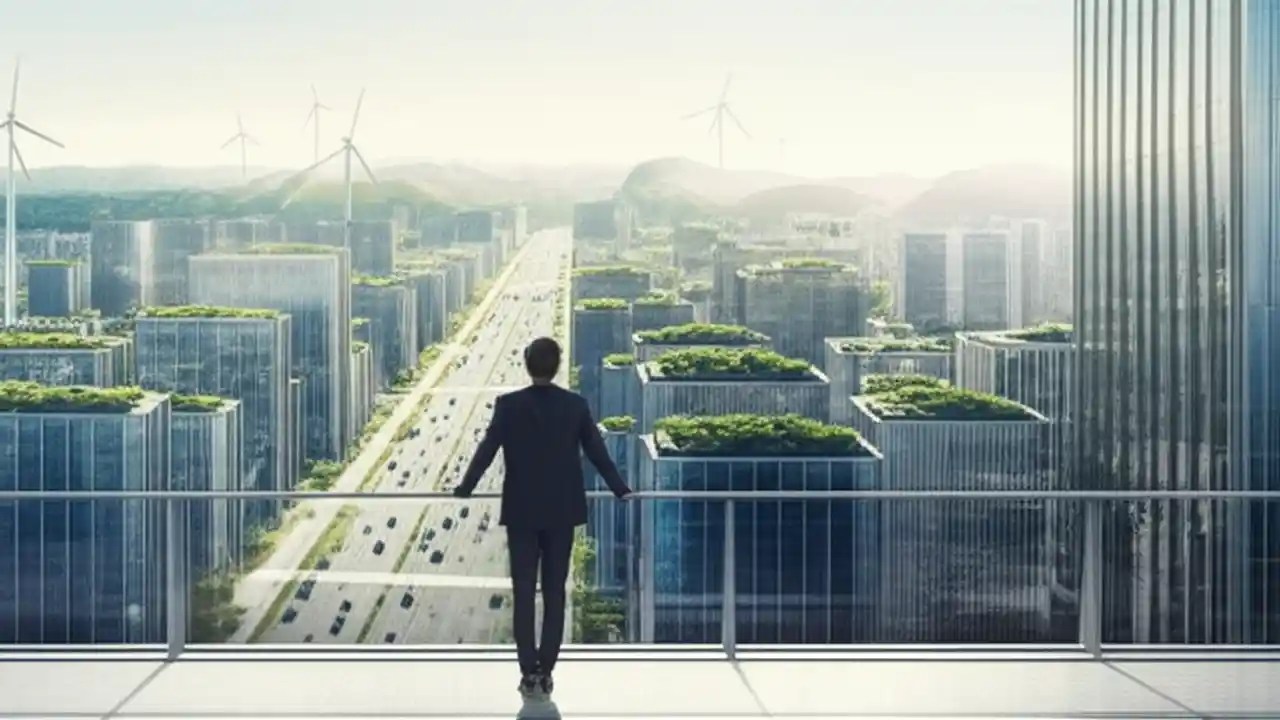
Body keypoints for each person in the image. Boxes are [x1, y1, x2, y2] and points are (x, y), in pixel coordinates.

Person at [453, 336, 631, 697]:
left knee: (522, 594)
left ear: (526, 363)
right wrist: (621, 489)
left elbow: (487, 450)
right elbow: (598, 454)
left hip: (521, 512)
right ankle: (546, 671)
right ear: (558, 364)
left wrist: (465, 488)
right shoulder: (575, 406)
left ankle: (527, 671)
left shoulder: (508, 405)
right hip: (562, 513)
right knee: (554, 594)